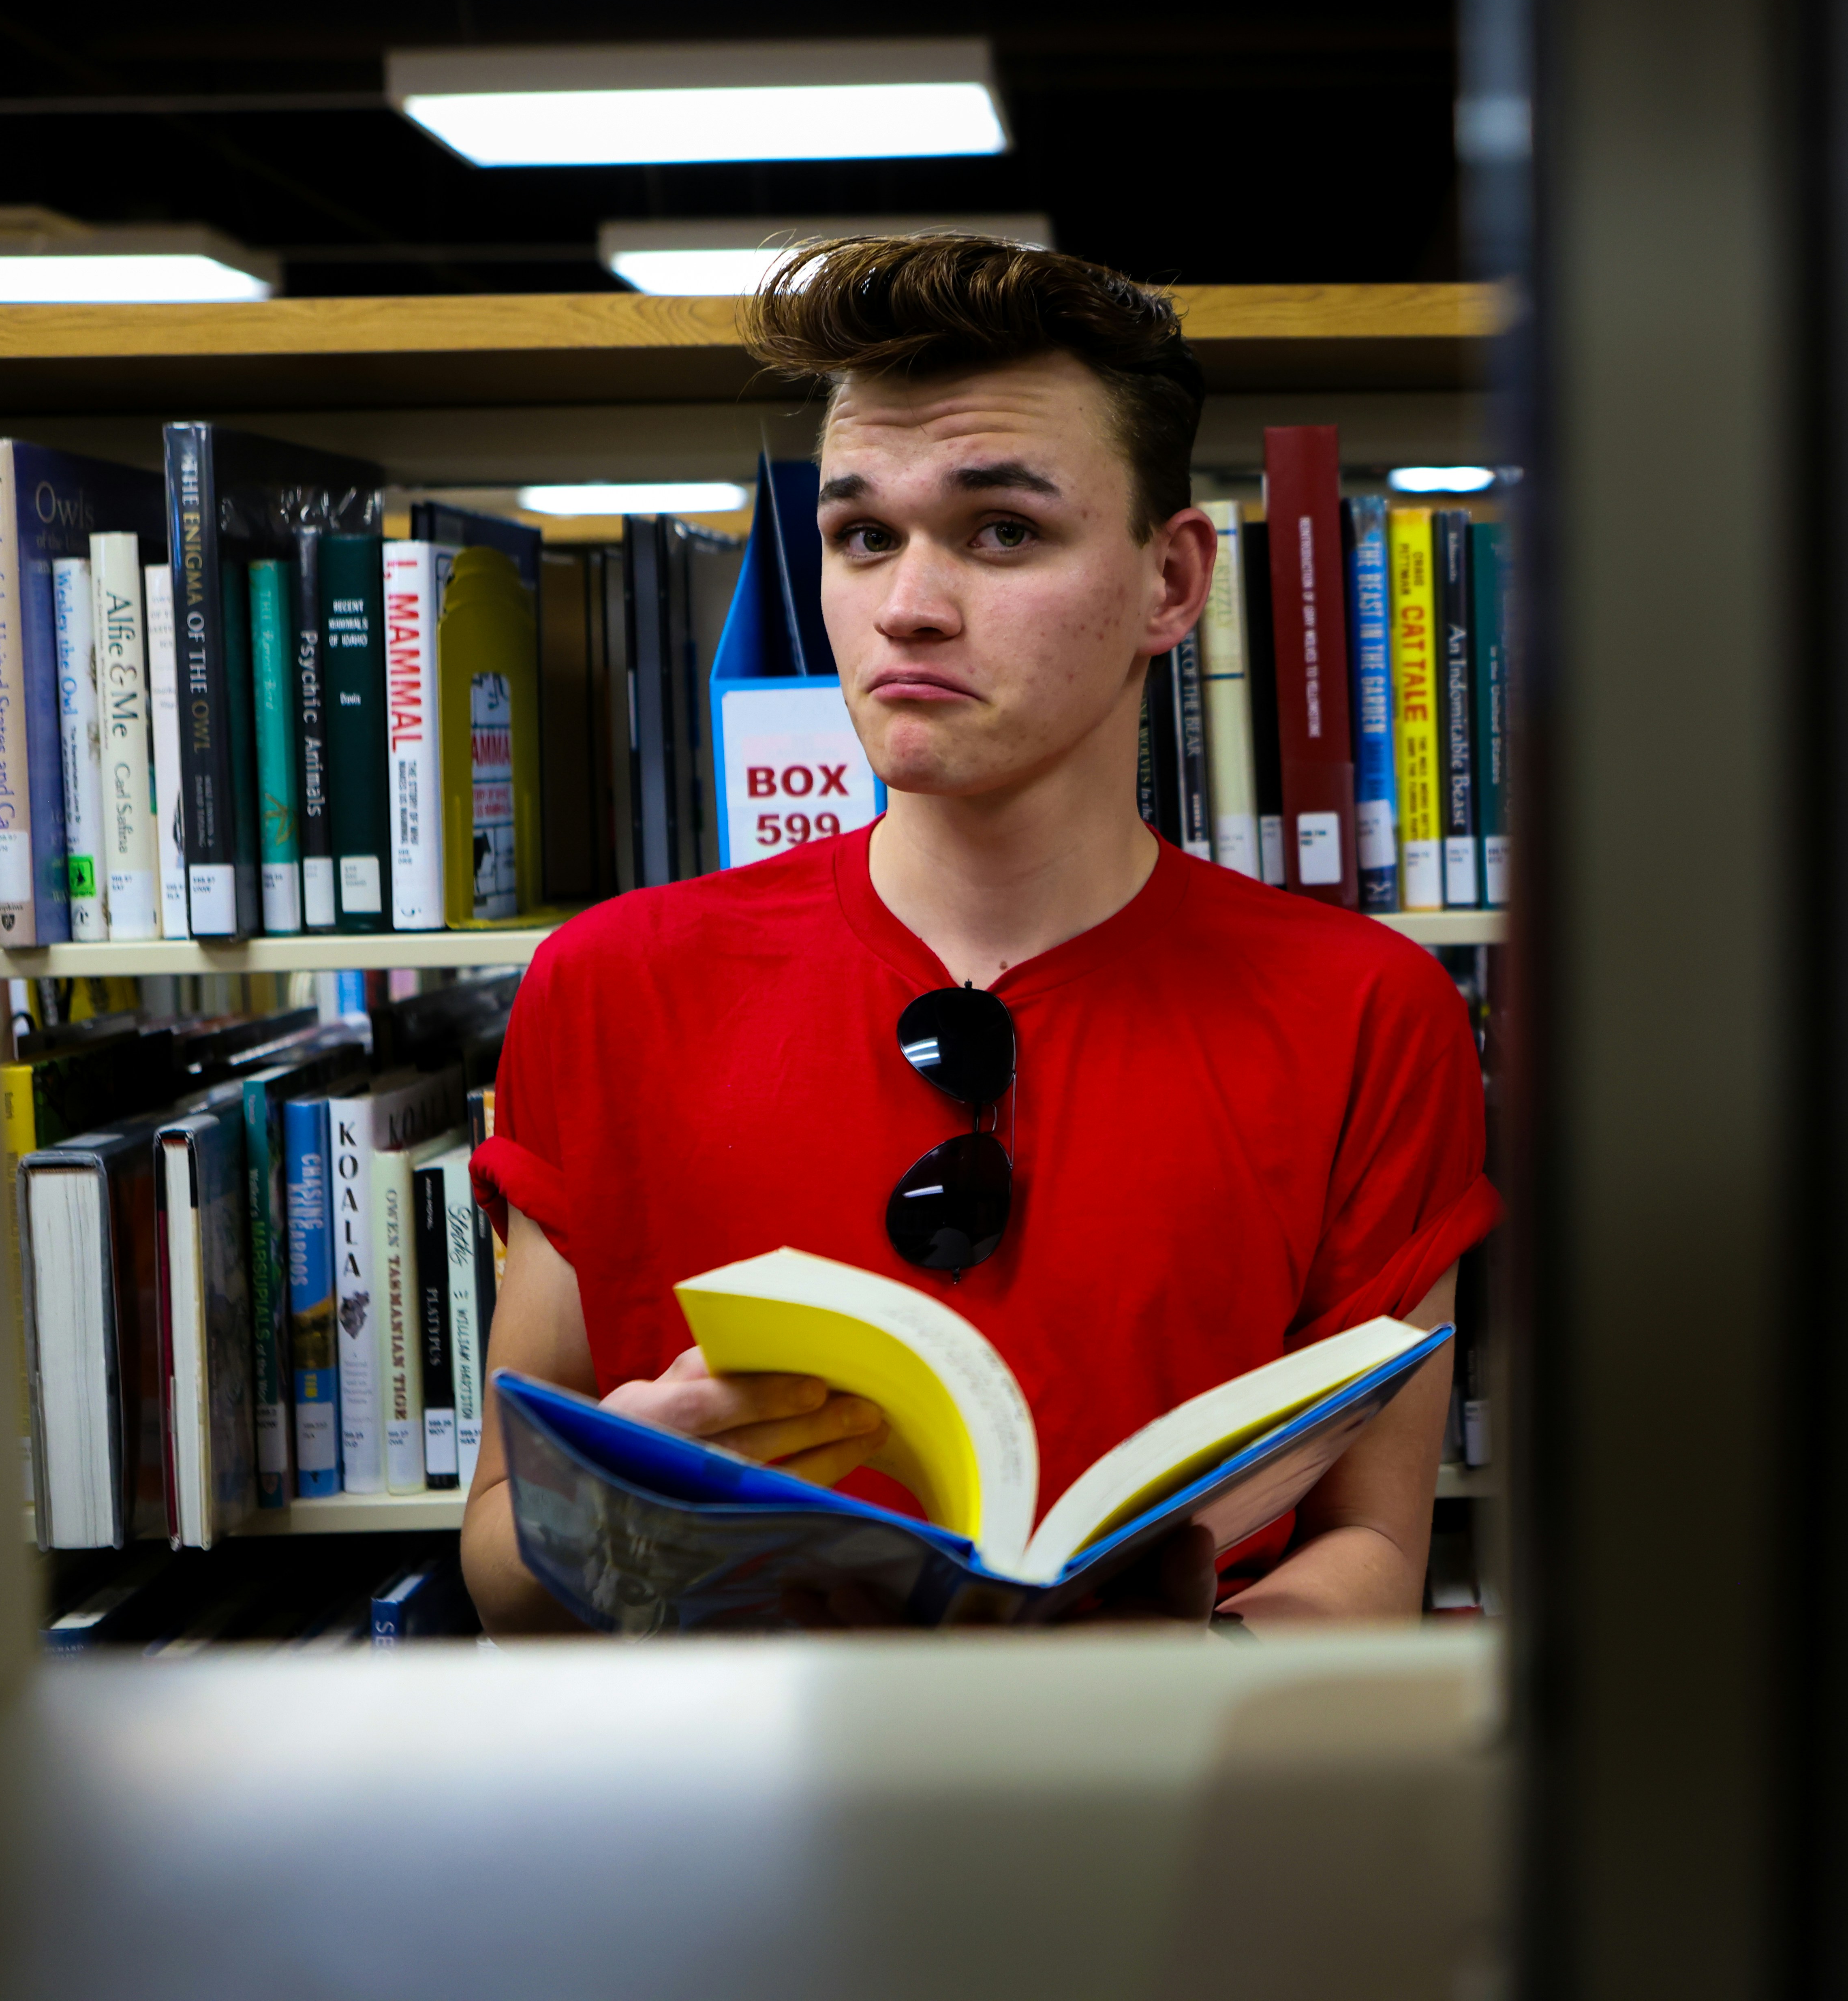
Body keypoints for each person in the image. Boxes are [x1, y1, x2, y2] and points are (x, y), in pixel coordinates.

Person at [460, 234, 1497, 1634]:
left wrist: (1176, 1669)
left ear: (1171, 582)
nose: (906, 608)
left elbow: (1370, 1542)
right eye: (862, 537)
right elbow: (499, 1563)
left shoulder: (1368, 1010)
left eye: (1002, 530)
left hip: (1166, 1760)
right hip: (745, 1759)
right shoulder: (613, 984)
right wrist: (615, 1525)